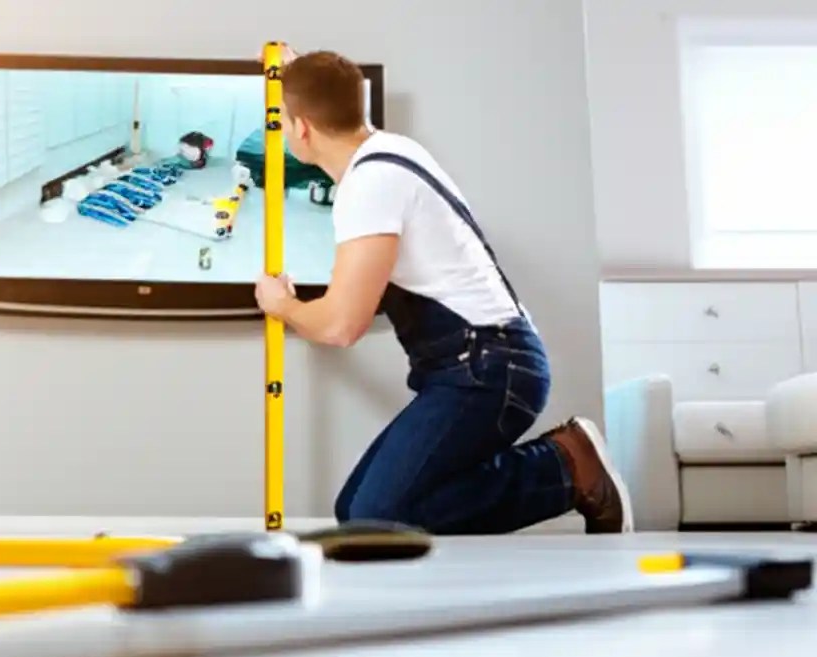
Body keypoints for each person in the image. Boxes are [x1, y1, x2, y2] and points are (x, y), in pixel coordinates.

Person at [253, 46, 633, 534]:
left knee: (378, 517)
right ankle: (565, 466)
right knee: (356, 513)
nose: (281, 131)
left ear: (300, 127)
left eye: (281, 120)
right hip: (484, 363)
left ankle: (566, 468)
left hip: (488, 368)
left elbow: (342, 324)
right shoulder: (393, 153)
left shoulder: (370, 184)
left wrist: (281, 305)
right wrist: (303, 72)